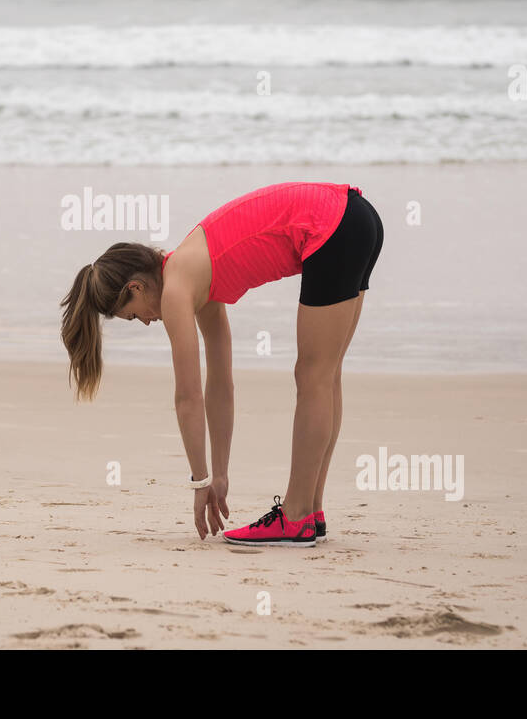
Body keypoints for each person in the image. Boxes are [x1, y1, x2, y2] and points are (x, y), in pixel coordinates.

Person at [59, 182, 384, 547]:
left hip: (333, 226)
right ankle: (310, 510)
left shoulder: (177, 290)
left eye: (133, 316)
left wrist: (199, 483)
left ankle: (295, 518)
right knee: (325, 374)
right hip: (356, 218)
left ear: (135, 288)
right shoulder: (194, 272)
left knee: (313, 375)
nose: (148, 322)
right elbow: (220, 384)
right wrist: (220, 475)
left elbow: (188, 398)